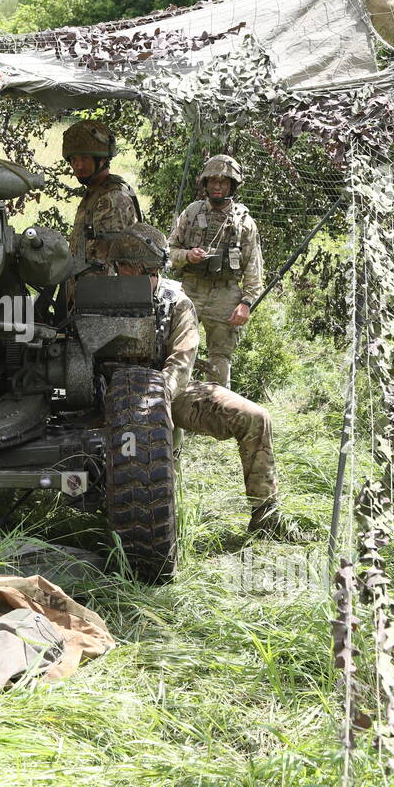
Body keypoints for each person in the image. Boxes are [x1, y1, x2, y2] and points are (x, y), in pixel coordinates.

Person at [106, 223, 301, 539]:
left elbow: (182, 362)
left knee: (255, 418)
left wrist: (156, 401)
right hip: (108, 394)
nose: (129, 273)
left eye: (143, 270)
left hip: (168, 392)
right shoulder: (99, 296)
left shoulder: (175, 301)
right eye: (125, 268)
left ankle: (266, 518)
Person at [168, 154, 264, 388]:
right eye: (212, 181)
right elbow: (169, 250)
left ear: (232, 185)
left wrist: (247, 303)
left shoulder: (245, 223)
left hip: (225, 294)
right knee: (175, 353)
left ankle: (217, 417)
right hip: (190, 289)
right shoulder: (191, 213)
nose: (217, 186)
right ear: (205, 184)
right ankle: (175, 416)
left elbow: (254, 268)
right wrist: (187, 256)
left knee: (219, 361)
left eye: (223, 181)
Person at [63, 120, 141, 267]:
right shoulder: (96, 192)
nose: (78, 166)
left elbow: (104, 263)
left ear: (103, 160)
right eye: (73, 159)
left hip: (102, 286)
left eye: (85, 158)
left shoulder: (113, 198)